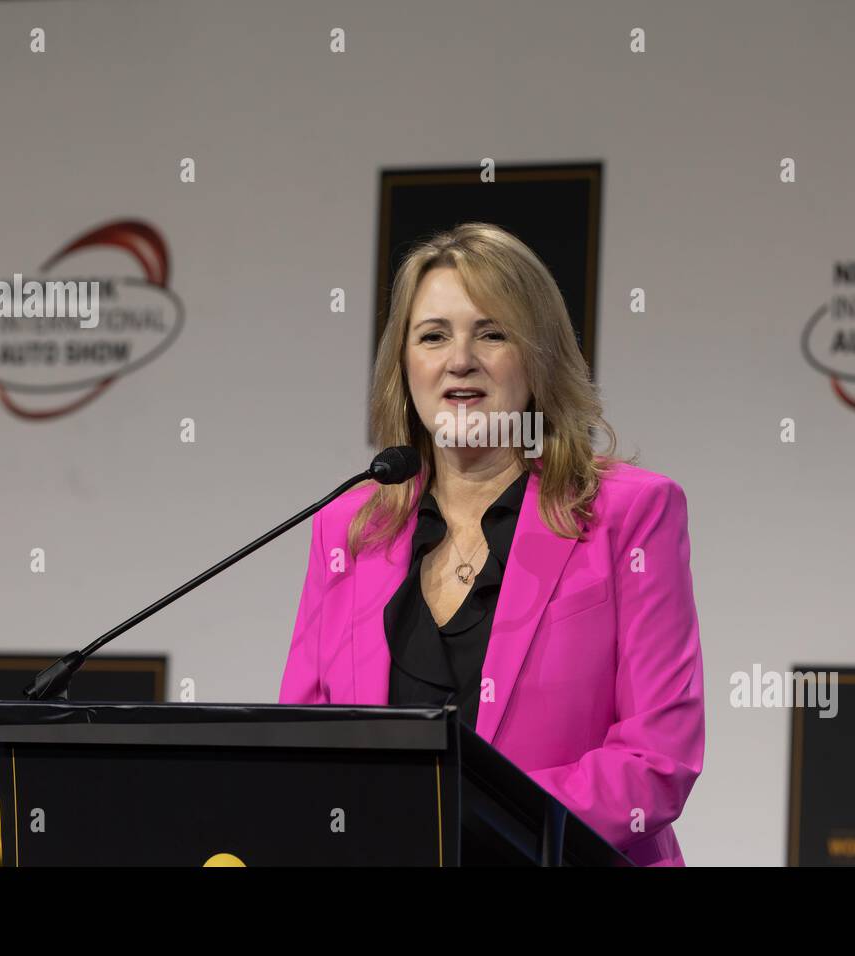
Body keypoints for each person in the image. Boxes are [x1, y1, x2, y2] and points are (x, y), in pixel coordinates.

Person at [279, 222, 704, 866]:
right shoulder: (349, 528)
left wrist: (466, 825)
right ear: (403, 364)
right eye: (433, 336)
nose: (459, 361)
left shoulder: (629, 514)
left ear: (540, 357)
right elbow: (303, 747)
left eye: (492, 333)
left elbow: (655, 760)